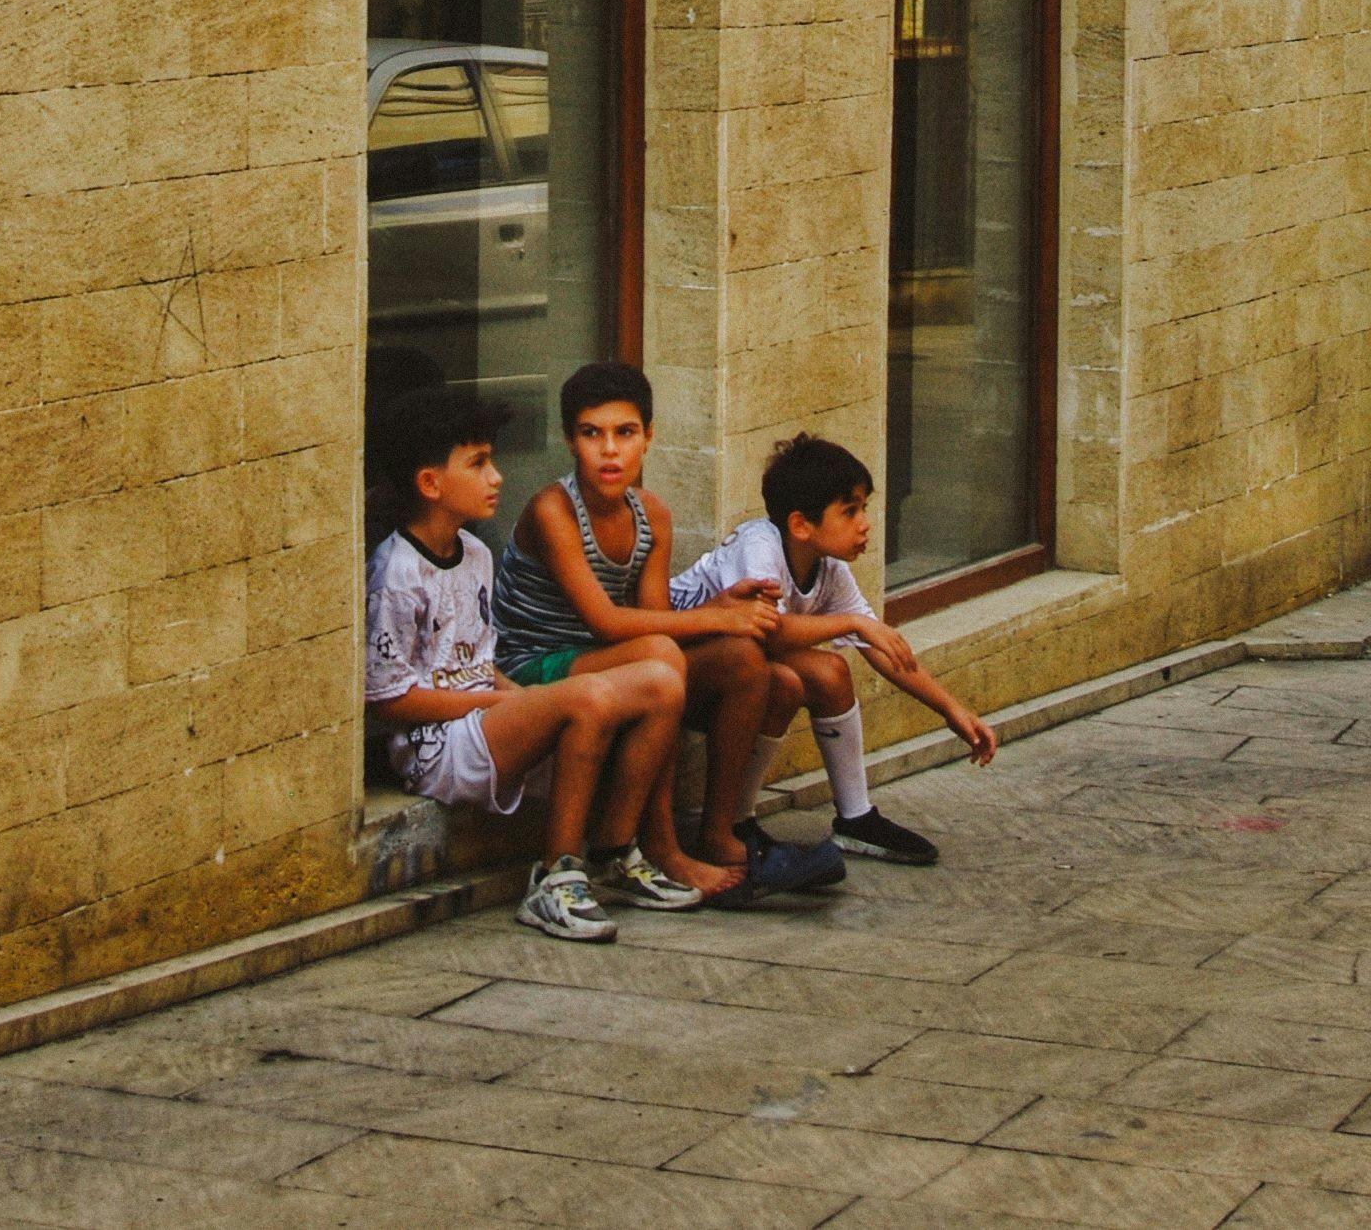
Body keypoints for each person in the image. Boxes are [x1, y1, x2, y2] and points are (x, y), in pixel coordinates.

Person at [493, 361, 842, 904]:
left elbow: (655, 616)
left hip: (609, 659)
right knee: (663, 657)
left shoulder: (651, 514)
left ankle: (719, 834)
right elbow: (606, 622)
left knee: (743, 659)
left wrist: (722, 611)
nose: (610, 451)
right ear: (569, 440)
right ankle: (658, 848)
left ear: (649, 436)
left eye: (625, 432)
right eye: (592, 434)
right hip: (534, 665)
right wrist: (714, 616)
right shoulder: (552, 511)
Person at [364, 387, 702, 941]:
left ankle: (614, 852)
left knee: (661, 683)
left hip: (487, 721)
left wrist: (519, 699)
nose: (497, 477)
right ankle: (555, 878)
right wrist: (503, 700)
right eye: (479, 463)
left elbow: (479, 659)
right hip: (437, 749)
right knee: (589, 694)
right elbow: (388, 700)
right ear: (430, 484)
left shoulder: (476, 553)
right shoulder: (397, 572)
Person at [672, 431, 998, 864]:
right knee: (787, 679)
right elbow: (766, 630)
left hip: (736, 673)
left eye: (864, 508)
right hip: (681, 667)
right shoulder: (760, 547)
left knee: (828, 673)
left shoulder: (828, 567)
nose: (865, 523)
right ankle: (733, 825)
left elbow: (881, 647)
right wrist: (852, 622)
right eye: (849, 511)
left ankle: (852, 818)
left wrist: (952, 710)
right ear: (800, 525)